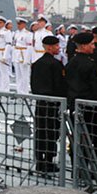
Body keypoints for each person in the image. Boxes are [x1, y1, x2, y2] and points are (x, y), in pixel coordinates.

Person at [66, 32, 97, 159]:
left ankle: (75, 168)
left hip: (73, 105)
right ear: (83, 46)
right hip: (88, 107)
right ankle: (85, 169)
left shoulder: (71, 62)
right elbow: (96, 88)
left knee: (76, 136)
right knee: (88, 138)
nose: (94, 47)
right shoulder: (90, 64)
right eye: (92, 44)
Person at [31, 34, 65, 173]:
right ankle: (49, 161)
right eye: (57, 45)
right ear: (50, 47)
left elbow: (33, 84)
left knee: (40, 131)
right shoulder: (56, 64)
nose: (59, 48)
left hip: (40, 102)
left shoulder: (37, 63)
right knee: (52, 132)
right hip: (53, 103)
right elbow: (60, 85)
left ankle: (40, 161)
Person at [12, 17, 33, 94]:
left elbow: (29, 47)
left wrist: (27, 60)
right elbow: (14, 45)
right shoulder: (16, 33)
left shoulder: (28, 34)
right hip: (16, 55)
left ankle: (25, 92)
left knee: (25, 75)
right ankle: (19, 91)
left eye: (20, 24)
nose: (18, 25)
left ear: (24, 24)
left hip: (23, 56)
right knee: (18, 75)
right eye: (18, 24)